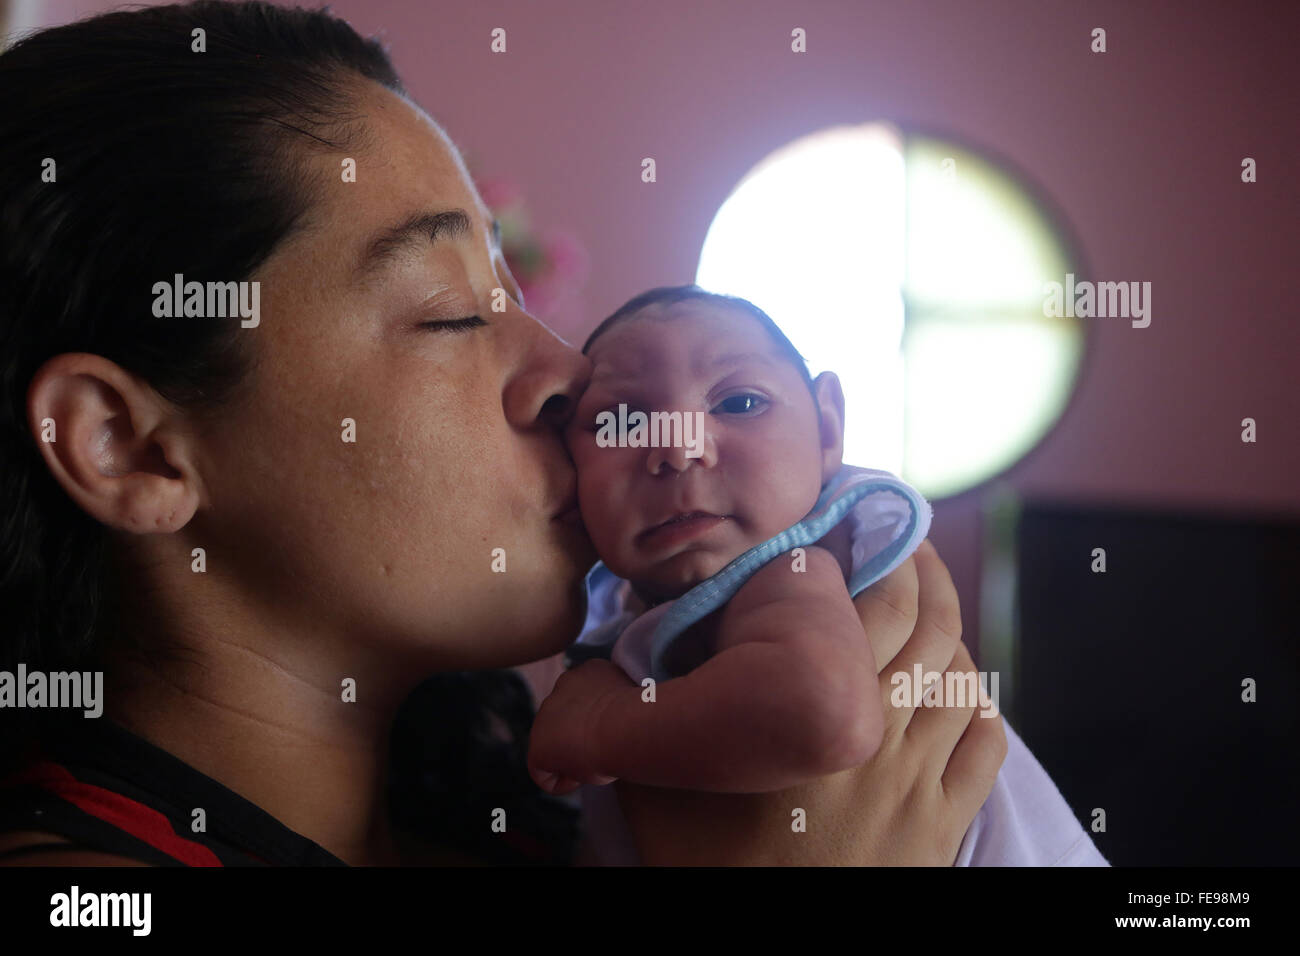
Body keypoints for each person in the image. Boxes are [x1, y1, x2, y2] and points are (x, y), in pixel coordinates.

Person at [0, 0, 1004, 866]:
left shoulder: (517, 818)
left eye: (512, 290)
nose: (573, 375)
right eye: (451, 311)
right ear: (127, 444)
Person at [529, 287, 1109, 866]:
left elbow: (826, 715)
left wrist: (602, 724)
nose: (679, 450)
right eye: (621, 421)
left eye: (740, 404)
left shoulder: (793, 566)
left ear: (827, 428)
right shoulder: (626, 615)